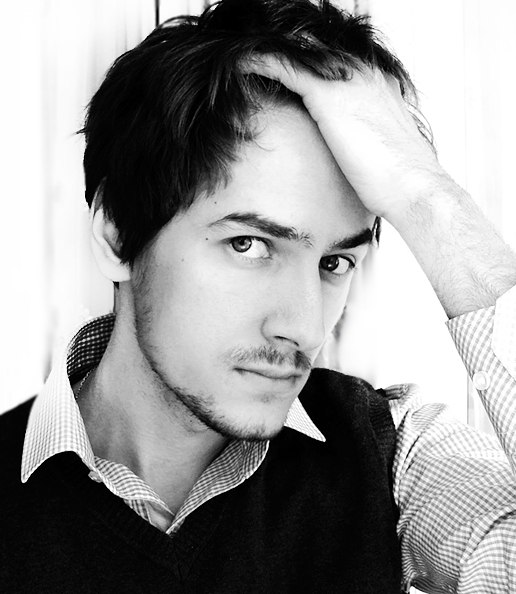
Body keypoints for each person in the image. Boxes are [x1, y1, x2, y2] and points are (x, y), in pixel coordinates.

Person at [2, 0, 516, 592]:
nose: (304, 327)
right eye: (249, 245)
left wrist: (426, 195)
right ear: (117, 233)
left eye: (334, 263)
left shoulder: (393, 454)